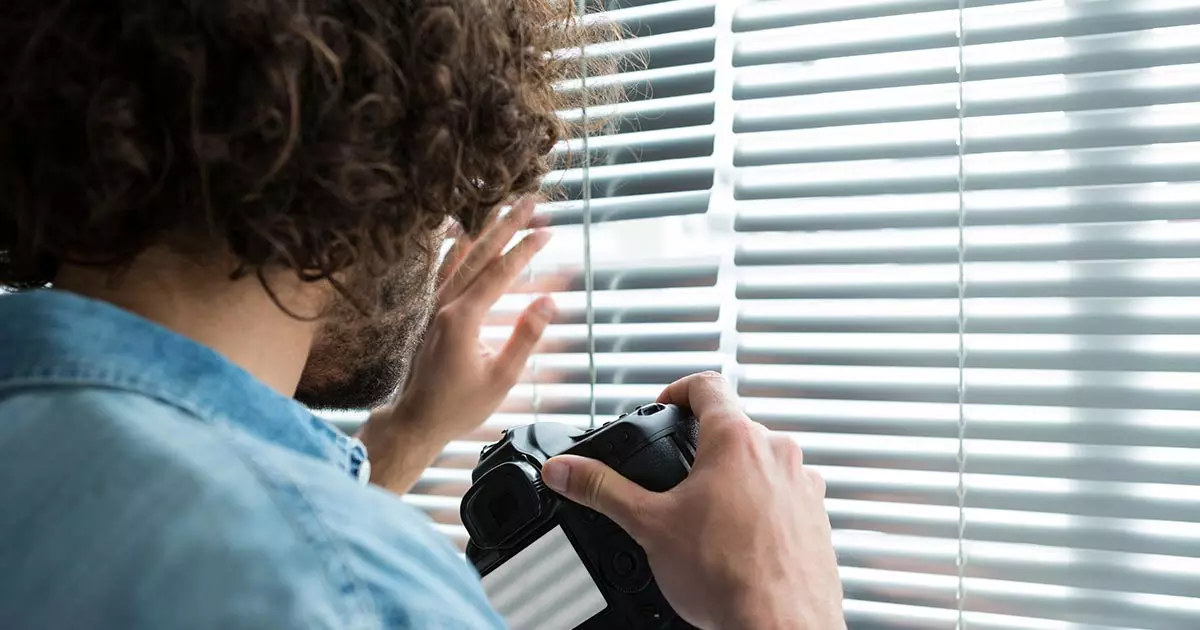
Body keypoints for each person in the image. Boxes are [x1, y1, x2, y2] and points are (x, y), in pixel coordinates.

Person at [0, 1, 845, 629]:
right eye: (442, 176)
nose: (450, 221)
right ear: (362, 163)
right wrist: (782, 599)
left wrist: (403, 439)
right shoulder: (352, 585)